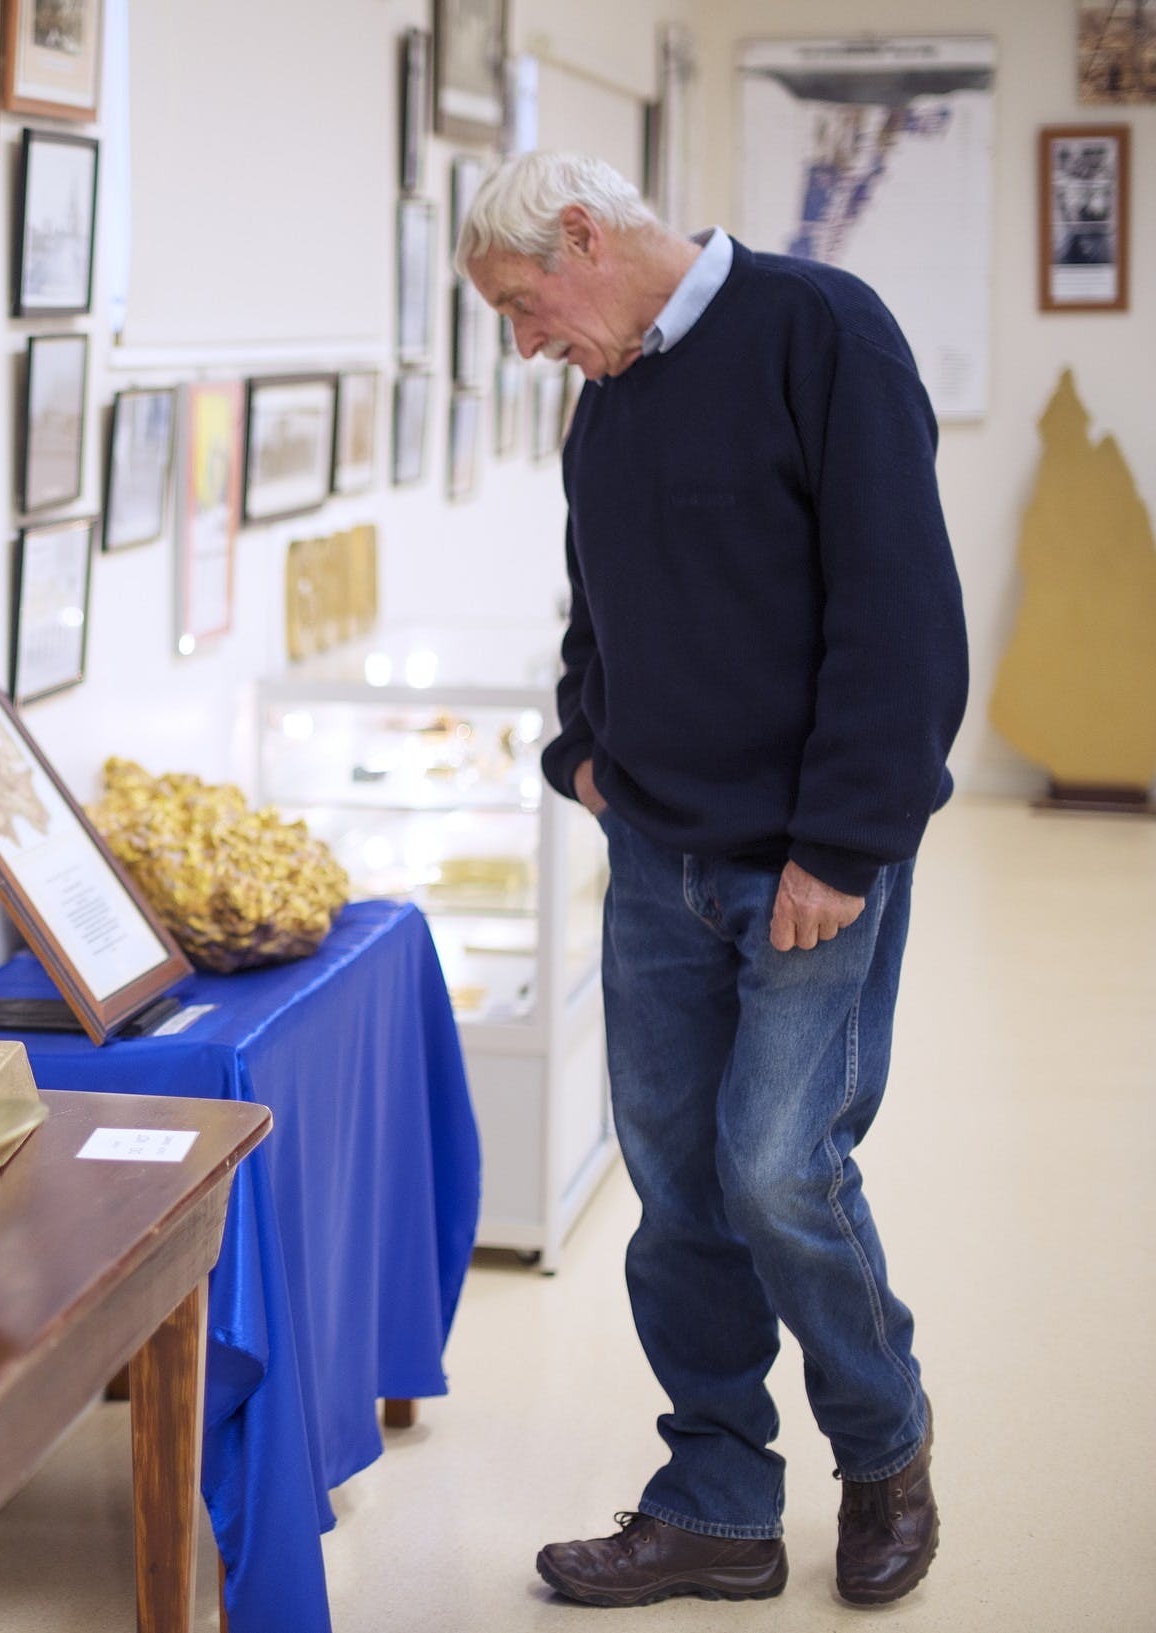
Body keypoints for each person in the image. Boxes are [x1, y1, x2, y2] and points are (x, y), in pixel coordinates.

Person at [457, 151, 967, 1609]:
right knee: (678, 1193)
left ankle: (887, 1448)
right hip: (656, 861)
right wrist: (586, 751)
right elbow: (596, 600)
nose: (525, 341)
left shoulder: (826, 332)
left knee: (778, 1169)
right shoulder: (609, 400)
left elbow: (903, 612)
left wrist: (843, 846)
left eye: (520, 304)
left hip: (804, 865)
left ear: (580, 235)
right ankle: (722, 1503)